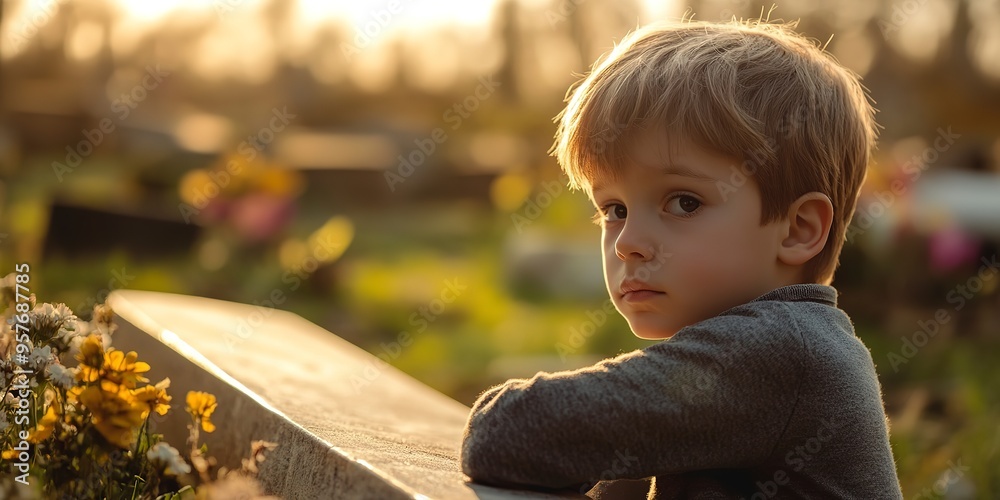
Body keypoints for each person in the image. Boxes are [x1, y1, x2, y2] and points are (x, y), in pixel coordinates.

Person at [460, 17, 903, 499]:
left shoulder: (784, 352)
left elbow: (508, 434)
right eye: (614, 209)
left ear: (798, 229)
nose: (628, 241)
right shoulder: (787, 344)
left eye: (684, 202)